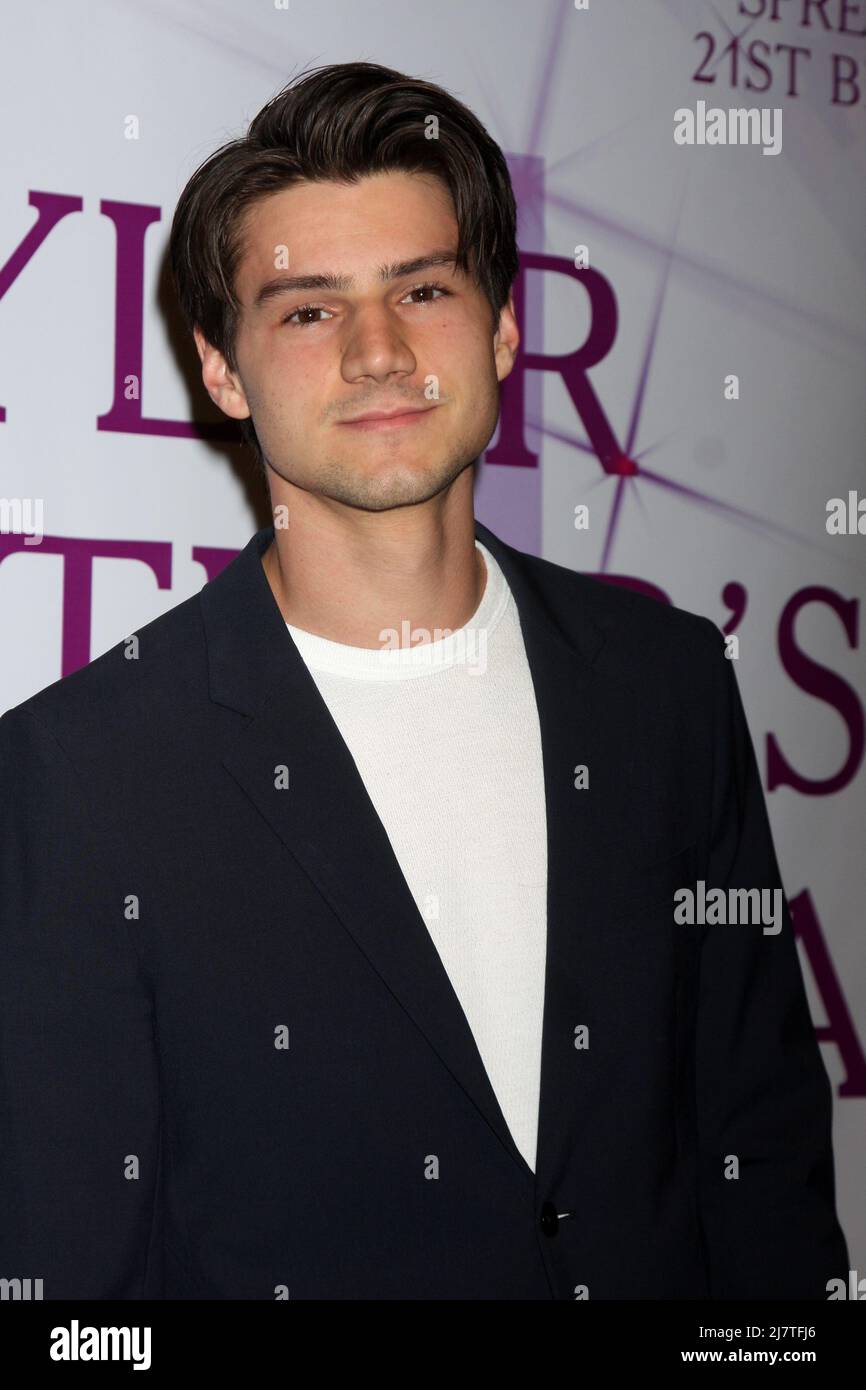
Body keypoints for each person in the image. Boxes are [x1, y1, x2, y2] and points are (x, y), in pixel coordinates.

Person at [0, 61, 848, 1300]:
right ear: (222, 370)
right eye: (307, 311)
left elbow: (757, 1146)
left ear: (500, 328)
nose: (377, 351)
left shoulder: (663, 686)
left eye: (423, 289)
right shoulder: (81, 772)